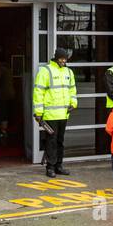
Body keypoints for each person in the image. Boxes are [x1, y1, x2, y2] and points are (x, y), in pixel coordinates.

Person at [33, 47, 77, 177]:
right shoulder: (45, 71)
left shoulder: (69, 72)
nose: (64, 61)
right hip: (50, 115)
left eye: (65, 59)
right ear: (56, 58)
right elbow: (38, 92)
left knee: (60, 141)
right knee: (51, 141)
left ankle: (59, 165)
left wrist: (73, 103)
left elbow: (72, 90)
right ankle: (50, 167)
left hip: (64, 114)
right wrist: (39, 112)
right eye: (62, 59)